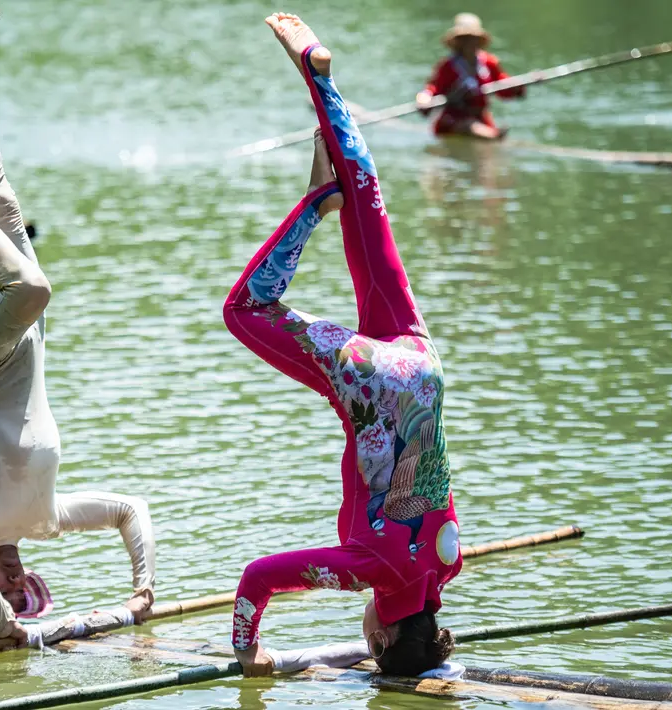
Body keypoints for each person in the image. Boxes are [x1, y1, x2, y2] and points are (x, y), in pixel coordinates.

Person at [223, 14, 462, 678]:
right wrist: (249, 650)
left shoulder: (445, 561)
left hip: (421, 368)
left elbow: (423, 575)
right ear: (380, 640)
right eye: (372, 642)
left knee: (371, 219)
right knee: (245, 309)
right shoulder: (371, 576)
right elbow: (257, 579)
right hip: (373, 382)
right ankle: (312, 202)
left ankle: (318, 79)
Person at [0, 11, 155, 645]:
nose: (16, 578)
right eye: (24, 589)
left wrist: (3, 623)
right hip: (25, 341)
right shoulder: (43, 520)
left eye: (7, 588)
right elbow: (131, 509)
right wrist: (143, 589)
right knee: (5, 199)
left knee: (29, 284)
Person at [415, 13, 525, 139]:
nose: (469, 43)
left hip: (480, 117)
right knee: (469, 127)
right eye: (464, 39)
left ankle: (490, 135)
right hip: (453, 119)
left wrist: (517, 85)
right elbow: (433, 89)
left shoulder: (488, 63)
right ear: (458, 42)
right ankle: (491, 136)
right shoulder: (447, 66)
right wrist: (424, 98)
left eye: (473, 38)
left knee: (482, 129)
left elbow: (503, 88)